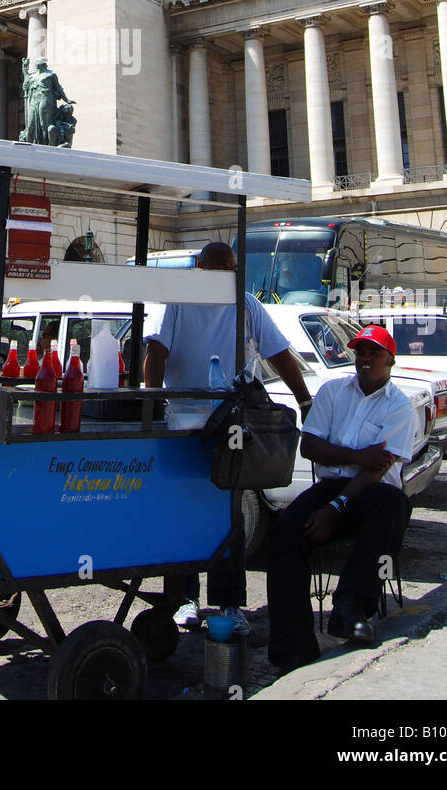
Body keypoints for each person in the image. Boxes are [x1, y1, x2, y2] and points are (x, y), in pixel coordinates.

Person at [143, 241, 313, 633]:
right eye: (220, 269)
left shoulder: (247, 305)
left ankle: (229, 603)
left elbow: (279, 353)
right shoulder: (177, 300)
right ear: (199, 267)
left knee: (229, 517)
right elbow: (157, 351)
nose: (227, 277)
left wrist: (304, 399)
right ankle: (184, 598)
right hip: (183, 423)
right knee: (183, 512)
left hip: (231, 426)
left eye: (233, 269)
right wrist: (154, 404)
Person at [266, 325, 416, 675]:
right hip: (331, 486)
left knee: (394, 507)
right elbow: (311, 447)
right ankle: (292, 649)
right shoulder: (333, 392)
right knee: (286, 534)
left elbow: (375, 471)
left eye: (373, 353)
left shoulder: (400, 408)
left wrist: (335, 509)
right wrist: (357, 455)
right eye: (359, 352)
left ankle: (351, 608)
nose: (364, 359)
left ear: (390, 361)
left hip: (371, 493)